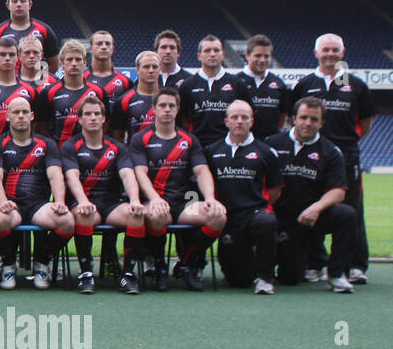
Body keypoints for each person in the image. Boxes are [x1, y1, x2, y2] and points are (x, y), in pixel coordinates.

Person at [289, 33, 374, 285]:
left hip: (346, 158)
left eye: (335, 50)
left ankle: (355, 265)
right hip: (312, 159)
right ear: (316, 53)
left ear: (343, 52)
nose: (330, 54)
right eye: (325, 49)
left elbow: (366, 122)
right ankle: (315, 263)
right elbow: (293, 118)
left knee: (351, 211)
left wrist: (346, 143)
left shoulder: (356, 85)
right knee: (312, 206)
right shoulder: (304, 84)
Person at [129, 88, 226, 292]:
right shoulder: (141, 139)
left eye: (171, 106)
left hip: (183, 204)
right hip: (154, 201)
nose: (167, 110)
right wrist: (154, 199)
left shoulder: (189, 140)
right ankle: (160, 266)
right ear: (154, 109)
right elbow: (140, 173)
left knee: (218, 216)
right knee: (156, 216)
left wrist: (210, 198)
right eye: (162, 105)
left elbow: (202, 171)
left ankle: (187, 264)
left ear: (178, 109)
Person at [265, 96, 357, 292]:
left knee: (346, 214)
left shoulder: (331, 151)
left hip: (312, 216)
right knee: (290, 278)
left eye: (314, 119)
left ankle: (337, 274)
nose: (308, 123)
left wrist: (316, 207)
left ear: (322, 123)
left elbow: (338, 191)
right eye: (304, 117)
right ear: (293, 119)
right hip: (281, 217)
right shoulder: (271, 144)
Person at [0, 96, 74, 290]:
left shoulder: (46, 144)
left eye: (25, 112)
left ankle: (42, 263)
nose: (21, 116)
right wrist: (1, 202)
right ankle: (8, 265)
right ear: (8, 117)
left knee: (67, 221)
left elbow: (55, 175)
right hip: (10, 202)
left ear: (32, 116)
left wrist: (59, 201)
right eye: (16, 112)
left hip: (38, 204)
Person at [60, 95, 146, 294]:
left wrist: (134, 200)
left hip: (111, 203)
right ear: (80, 119)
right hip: (84, 202)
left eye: (97, 114)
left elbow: (127, 175)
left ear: (104, 118)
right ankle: (86, 273)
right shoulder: (70, 146)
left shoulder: (117, 147)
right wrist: (82, 201)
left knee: (136, 214)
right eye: (88, 114)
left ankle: (128, 275)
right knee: (84, 214)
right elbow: (72, 177)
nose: (93, 118)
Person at [206, 100, 281, 295]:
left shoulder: (266, 152)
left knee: (266, 221)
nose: (239, 121)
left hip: (255, 214)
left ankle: (265, 278)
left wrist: (257, 210)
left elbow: (274, 190)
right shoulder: (212, 151)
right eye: (235, 117)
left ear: (252, 121)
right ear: (226, 121)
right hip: (226, 219)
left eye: (244, 117)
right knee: (238, 281)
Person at [177, 35, 251, 148]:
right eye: (207, 50)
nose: (212, 54)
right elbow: (184, 120)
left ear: (223, 55)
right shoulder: (187, 86)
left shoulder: (237, 84)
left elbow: (247, 116)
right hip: (197, 147)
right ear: (199, 56)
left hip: (229, 147)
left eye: (216, 50)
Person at [36, 39, 106, 145]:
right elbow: (41, 127)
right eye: (69, 59)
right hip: (59, 154)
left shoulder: (98, 92)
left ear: (85, 62)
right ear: (62, 63)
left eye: (78, 59)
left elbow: (106, 124)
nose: (74, 63)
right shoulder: (49, 92)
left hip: (89, 152)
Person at [0, 35, 40, 139]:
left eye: (11, 54)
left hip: (22, 151)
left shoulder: (30, 91)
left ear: (18, 57)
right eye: (3, 54)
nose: (7, 58)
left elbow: (36, 125)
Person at [0, 0, 59, 75]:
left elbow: (54, 63)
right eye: (14, 1)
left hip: (36, 85)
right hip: (10, 87)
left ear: (30, 5)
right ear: (8, 5)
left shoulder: (44, 30)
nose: (19, 4)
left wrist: (39, 80)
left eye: (23, 1)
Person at [238, 34, 288, 140]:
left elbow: (283, 113)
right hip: (243, 142)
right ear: (247, 55)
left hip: (271, 143)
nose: (262, 60)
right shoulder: (235, 82)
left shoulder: (279, 83)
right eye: (258, 55)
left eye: (266, 56)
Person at [112, 50, 161, 141]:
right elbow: (117, 136)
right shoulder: (124, 101)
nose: (151, 70)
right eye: (146, 67)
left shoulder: (169, 98)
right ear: (137, 69)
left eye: (155, 67)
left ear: (160, 69)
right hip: (135, 154)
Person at [86, 30, 131, 111]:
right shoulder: (82, 78)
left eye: (108, 44)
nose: (104, 47)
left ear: (113, 49)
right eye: (99, 44)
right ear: (90, 48)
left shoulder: (126, 82)